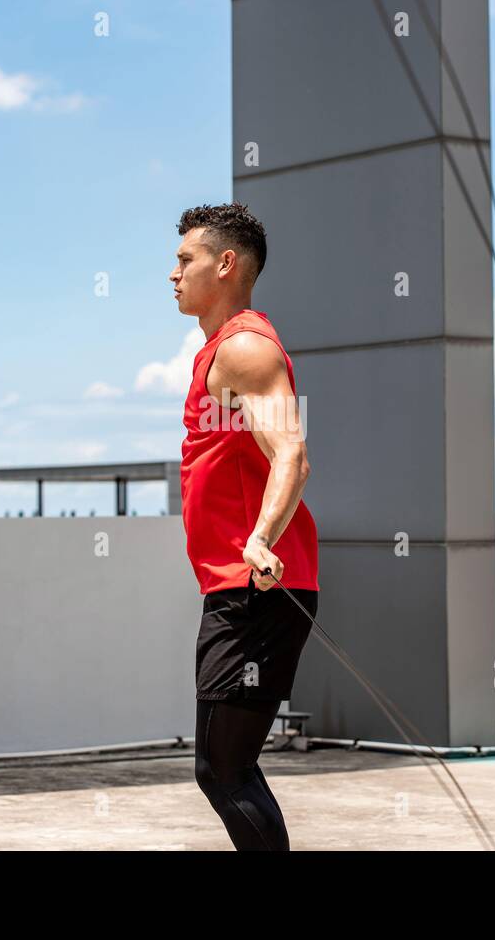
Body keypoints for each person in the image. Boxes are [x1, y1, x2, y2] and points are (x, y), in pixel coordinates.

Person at [170, 202, 320, 850]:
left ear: (225, 264)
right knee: (223, 768)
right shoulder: (219, 352)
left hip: (256, 588)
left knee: (224, 770)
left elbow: (292, 451)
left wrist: (260, 536)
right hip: (238, 588)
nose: (172, 273)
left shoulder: (245, 348)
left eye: (185, 259)